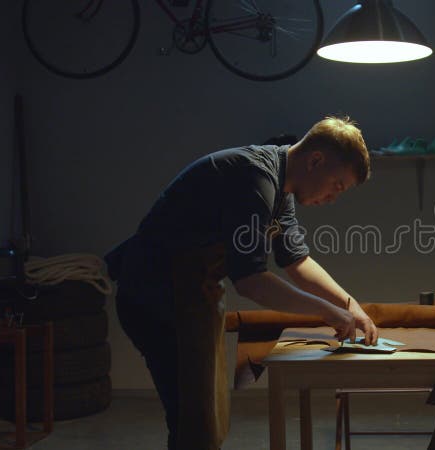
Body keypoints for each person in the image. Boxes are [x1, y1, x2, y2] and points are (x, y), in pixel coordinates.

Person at [104, 116, 379, 449]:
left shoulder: (282, 188)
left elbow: (296, 261)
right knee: (192, 423)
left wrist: (350, 306)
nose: (333, 198)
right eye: (337, 185)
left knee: (206, 418)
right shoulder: (254, 178)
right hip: (155, 298)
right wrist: (327, 312)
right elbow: (251, 281)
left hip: (193, 297)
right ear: (316, 160)